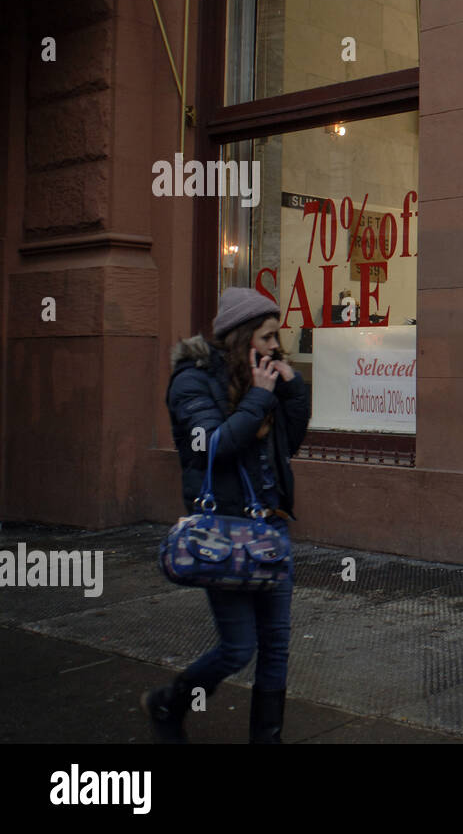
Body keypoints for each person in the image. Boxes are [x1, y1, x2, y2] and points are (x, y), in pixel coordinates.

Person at [142, 287, 311, 743]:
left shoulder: (260, 380)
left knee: (275, 647)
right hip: (225, 534)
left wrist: (292, 389)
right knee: (239, 648)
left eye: (278, 337)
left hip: (270, 529)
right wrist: (259, 399)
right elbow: (210, 447)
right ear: (240, 338)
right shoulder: (192, 380)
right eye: (268, 337)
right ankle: (168, 702)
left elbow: (286, 448)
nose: (277, 346)